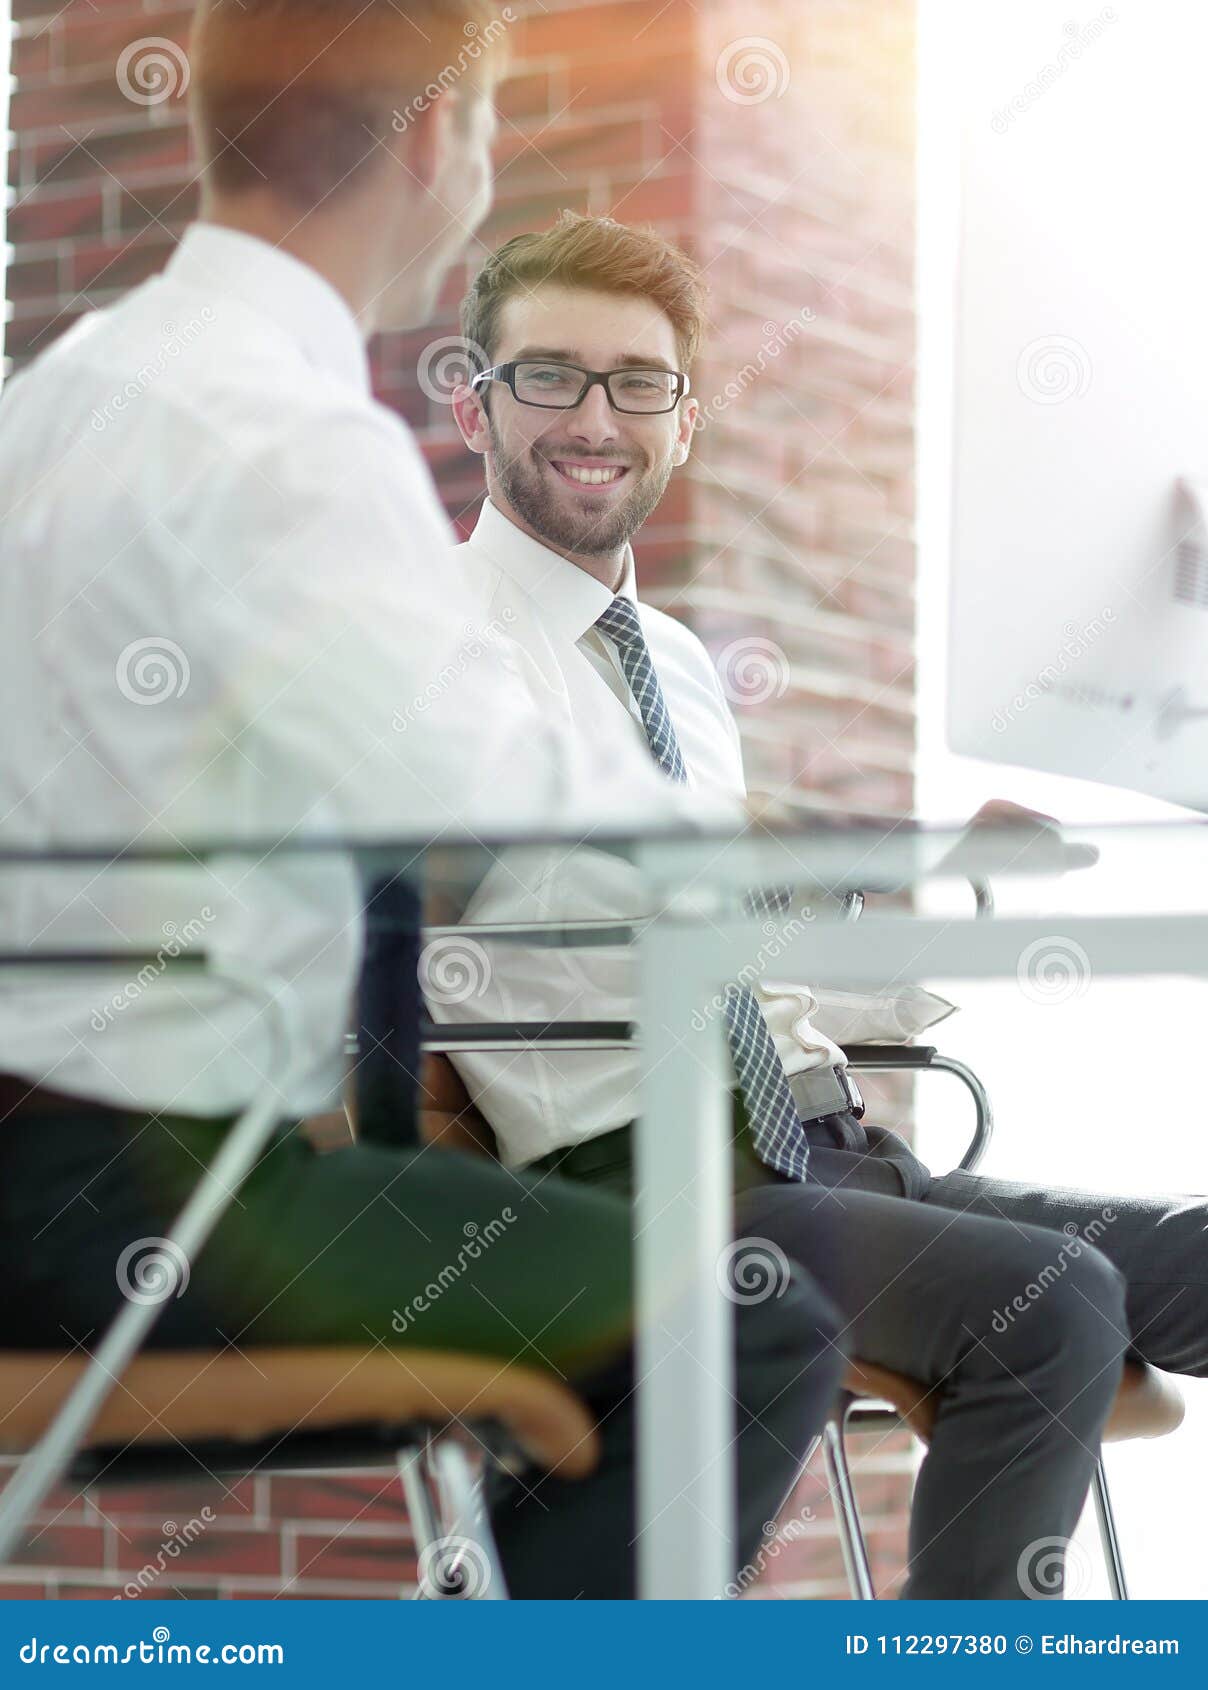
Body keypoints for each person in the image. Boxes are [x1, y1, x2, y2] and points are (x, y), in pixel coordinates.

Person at [0, 3, 843, 1599]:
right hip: (155, 1216)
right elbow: (472, 768)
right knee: (750, 1324)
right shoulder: (290, 434)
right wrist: (746, 846)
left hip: (49, 1184)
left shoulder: (53, 399)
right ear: (439, 139)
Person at [427, 208, 1208, 1598]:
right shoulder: (427, 638)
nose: (594, 418)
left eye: (638, 383)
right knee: (1059, 1307)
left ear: (685, 424)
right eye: (549, 376)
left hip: (830, 1155)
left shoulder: (673, 665)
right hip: (654, 1185)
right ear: (476, 405)